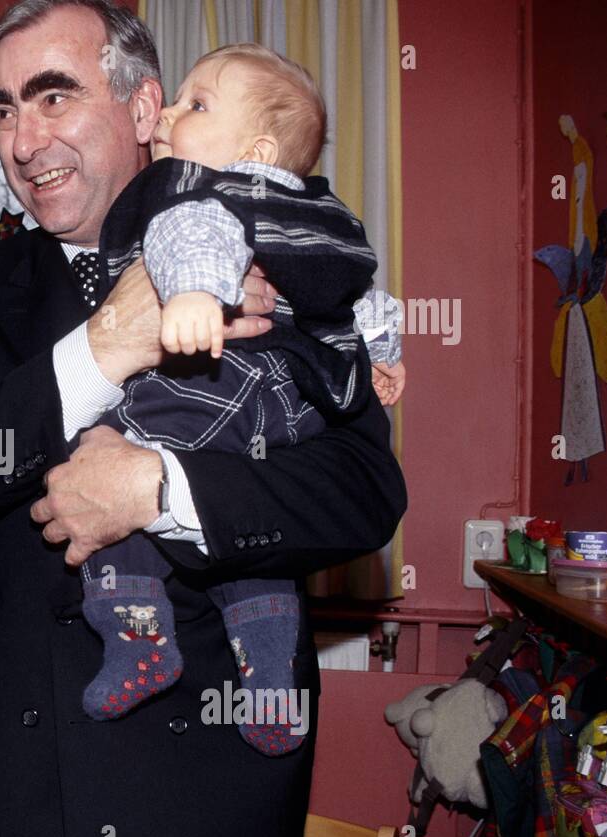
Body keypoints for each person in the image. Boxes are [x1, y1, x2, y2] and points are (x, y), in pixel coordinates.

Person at [0, 0, 405, 837]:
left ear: (142, 107)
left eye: (53, 97)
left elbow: (365, 490)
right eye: (4, 109)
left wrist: (160, 489)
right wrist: (106, 346)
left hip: (198, 801)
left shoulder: (276, 251)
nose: (24, 137)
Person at [76, 43, 407, 754]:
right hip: (293, 407)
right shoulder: (321, 214)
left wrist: (195, 291)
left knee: (102, 468)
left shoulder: (198, 191)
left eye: (195, 105)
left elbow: (192, 234)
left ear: (254, 148)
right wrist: (381, 352)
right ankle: (267, 684)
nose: (168, 113)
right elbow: (359, 297)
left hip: (211, 390)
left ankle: (140, 642)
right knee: (257, 550)